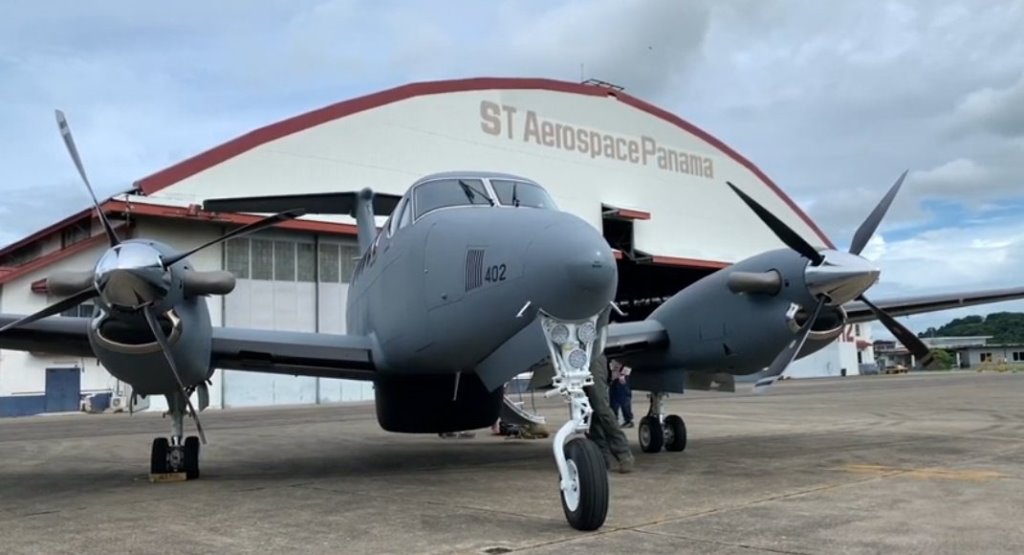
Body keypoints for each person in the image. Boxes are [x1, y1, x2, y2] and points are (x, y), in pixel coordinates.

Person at [585, 352, 635, 473]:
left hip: (591, 357)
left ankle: (623, 453)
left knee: (601, 408)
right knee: (590, 412)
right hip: (571, 359)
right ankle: (601, 458)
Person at [609, 359, 634, 428]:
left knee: (624, 400)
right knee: (613, 401)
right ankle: (615, 420)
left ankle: (628, 420)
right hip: (615, 378)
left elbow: (629, 363)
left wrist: (623, 374)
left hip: (621, 377)